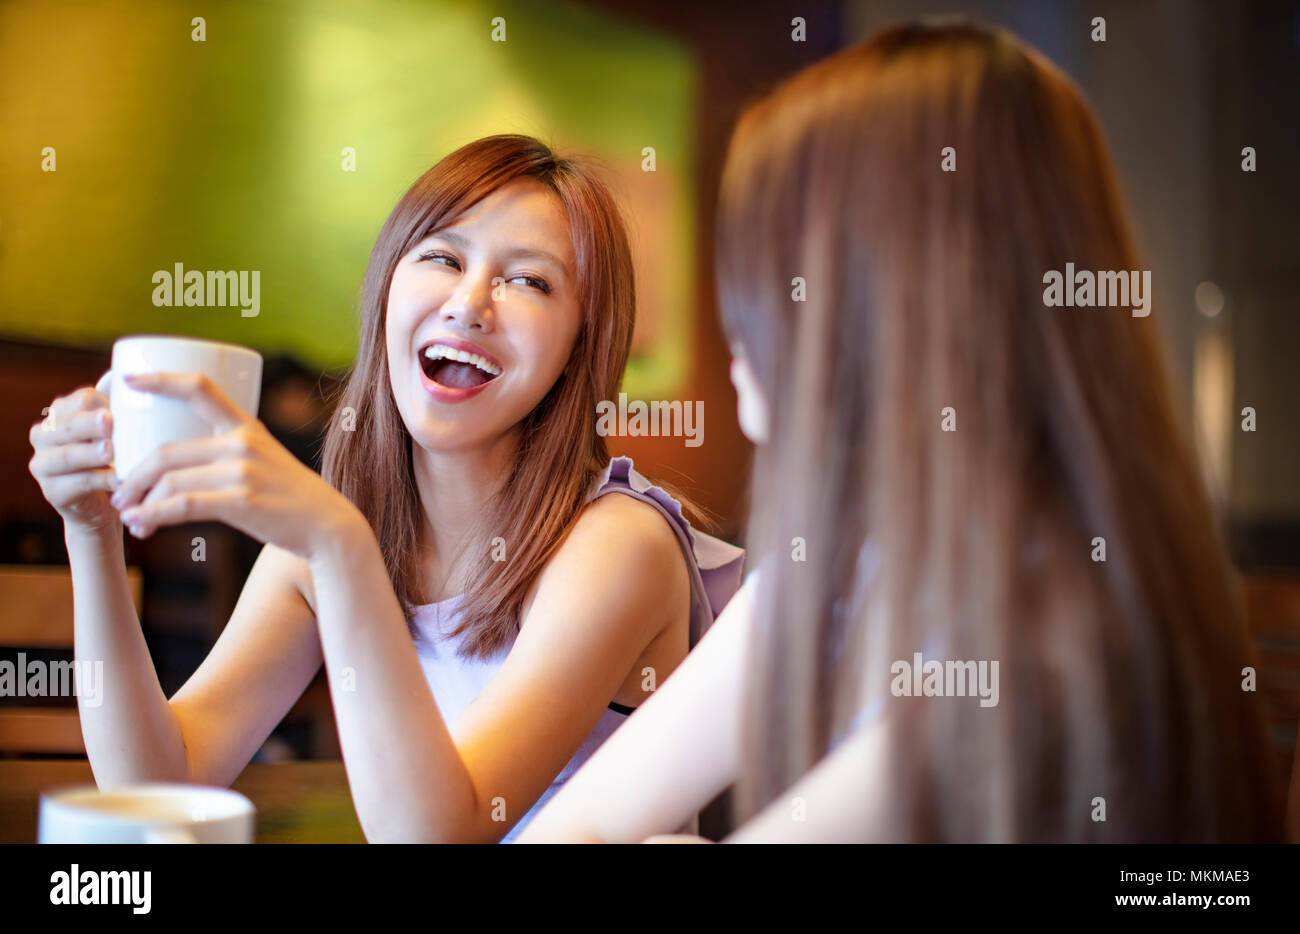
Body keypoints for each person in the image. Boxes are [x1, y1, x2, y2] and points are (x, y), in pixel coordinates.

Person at [520, 21, 1282, 843]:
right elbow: (583, 825)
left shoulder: (1038, 660)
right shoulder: (850, 560)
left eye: (760, 271)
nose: (731, 317)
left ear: (883, 303)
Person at [27, 134, 744, 843]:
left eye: (529, 280)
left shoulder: (618, 545)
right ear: (385, 293)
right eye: (442, 257)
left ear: (577, 350)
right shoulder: (335, 537)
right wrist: (89, 531)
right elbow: (155, 785)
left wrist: (341, 548)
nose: (470, 302)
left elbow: (438, 832)